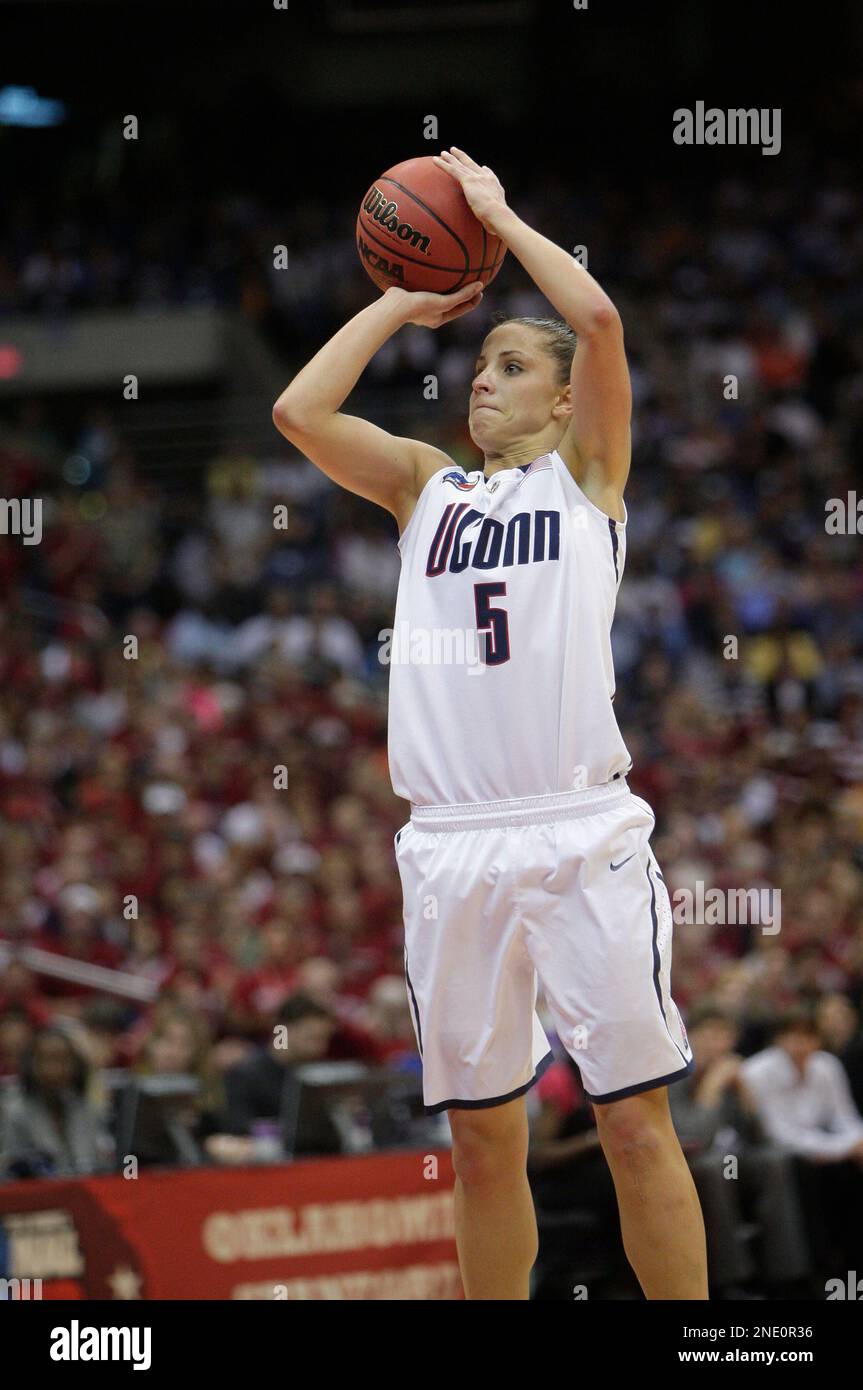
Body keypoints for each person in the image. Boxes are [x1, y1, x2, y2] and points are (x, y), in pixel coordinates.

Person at [272, 145, 706, 1299]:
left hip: (577, 827)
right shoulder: (425, 486)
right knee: (478, 1142)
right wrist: (401, 299)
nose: (481, 381)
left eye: (509, 366)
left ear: (562, 402)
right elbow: (297, 410)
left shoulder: (588, 480)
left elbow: (598, 320)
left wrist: (499, 221)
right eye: (477, 364)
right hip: (450, 841)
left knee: (631, 1125)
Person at [668, 1005, 811, 1298]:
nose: (717, 1044)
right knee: (714, 1167)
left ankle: (786, 1274)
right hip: (687, 1164)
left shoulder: (734, 1073)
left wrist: (746, 1098)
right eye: (709, 1035)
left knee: (775, 1159)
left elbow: (760, 1138)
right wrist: (711, 1089)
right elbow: (694, 1141)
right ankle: (731, 1281)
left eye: (724, 1036)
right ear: (689, 1035)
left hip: (732, 1159)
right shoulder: (674, 1071)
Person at [741, 1005, 863, 1277]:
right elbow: (779, 1134)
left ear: (818, 1039)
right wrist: (844, 1148)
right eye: (791, 1036)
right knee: (803, 1172)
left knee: (850, 1173)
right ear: (778, 1039)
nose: (799, 1044)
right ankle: (815, 1267)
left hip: (823, 1148)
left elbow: (845, 1118)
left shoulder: (827, 1065)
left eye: (807, 1036)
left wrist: (858, 1143)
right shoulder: (757, 1072)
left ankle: (851, 1263)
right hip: (772, 1153)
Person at [0, 1027, 114, 1179]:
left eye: (64, 1061)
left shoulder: (87, 1110)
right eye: (48, 1060)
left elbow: (104, 1165)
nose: (56, 1070)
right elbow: (7, 1173)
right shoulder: (15, 1113)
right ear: (30, 1065)